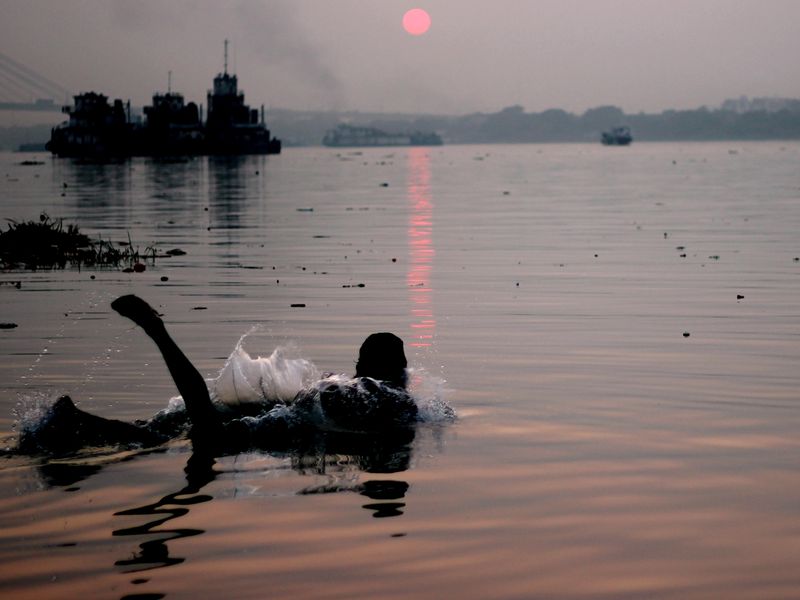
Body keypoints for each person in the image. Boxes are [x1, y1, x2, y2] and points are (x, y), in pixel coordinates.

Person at [18, 295, 418, 455]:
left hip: (273, 413)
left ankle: (73, 421)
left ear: (360, 365)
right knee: (202, 433)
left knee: (156, 432)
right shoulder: (389, 399)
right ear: (399, 372)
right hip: (279, 426)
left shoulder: (344, 382)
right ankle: (157, 331)